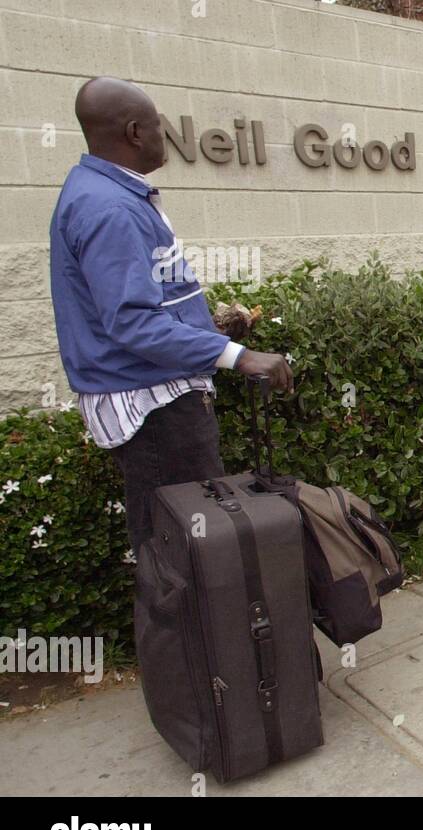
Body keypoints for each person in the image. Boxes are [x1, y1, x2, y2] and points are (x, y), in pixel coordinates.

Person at [48, 77, 292, 556]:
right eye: (159, 125)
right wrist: (239, 356)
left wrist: (207, 328)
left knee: (187, 548)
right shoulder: (110, 207)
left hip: (159, 399)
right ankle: (190, 635)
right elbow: (132, 322)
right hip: (156, 408)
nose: (166, 134)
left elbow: (146, 301)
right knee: (183, 556)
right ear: (136, 131)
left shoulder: (106, 193)